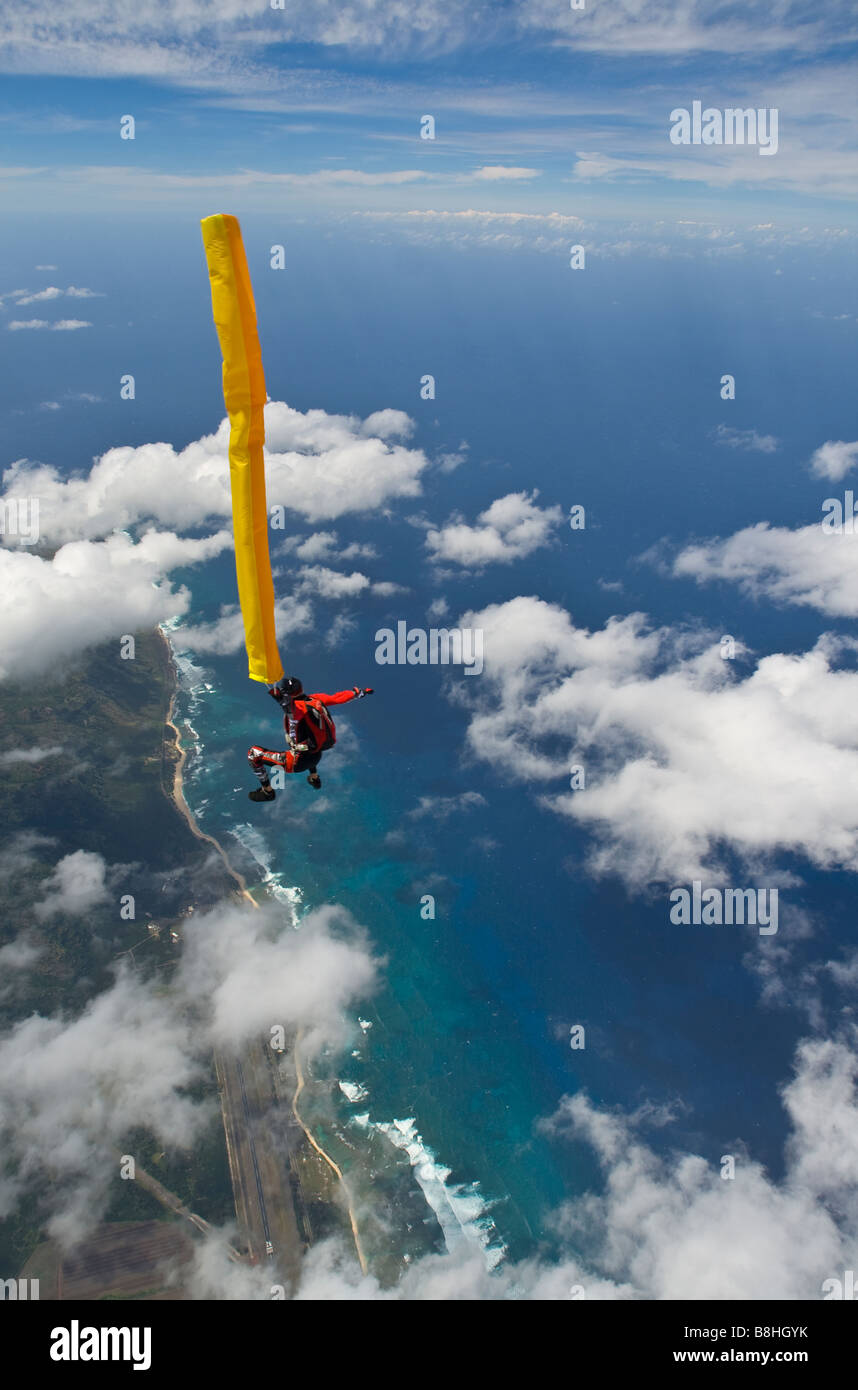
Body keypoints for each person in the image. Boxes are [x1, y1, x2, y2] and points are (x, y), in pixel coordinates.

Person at [247, 676, 373, 801]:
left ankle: (267, 792)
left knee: (253, 754)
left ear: (287, 694)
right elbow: (337, 698)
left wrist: (280, 699)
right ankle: (314, 777)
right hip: (316, 756)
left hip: (297, 762)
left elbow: (290, 708)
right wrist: (358, 693)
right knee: (304, 739)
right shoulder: (314, 700)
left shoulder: (296, 709)